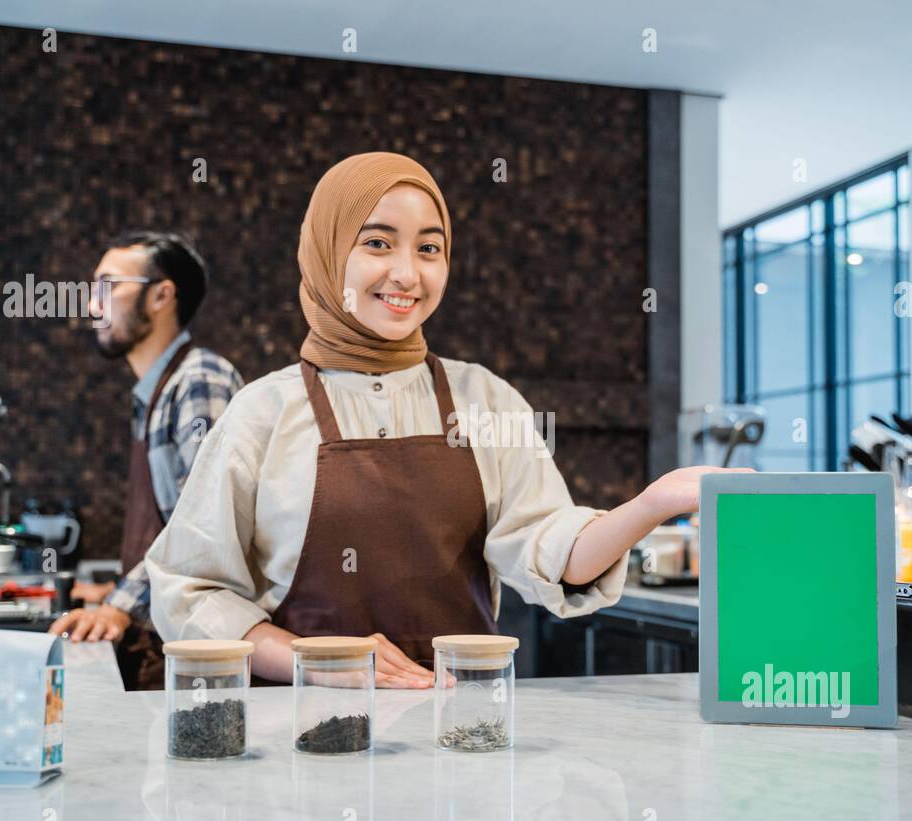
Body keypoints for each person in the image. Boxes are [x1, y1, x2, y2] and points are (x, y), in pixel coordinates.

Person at [147, 152, 727, 687]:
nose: (407, 274)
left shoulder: (486, 400)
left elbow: (550, 549)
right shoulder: (262, 413)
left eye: (429, 249)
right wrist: (319, 661)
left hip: (461, 729)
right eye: (377, 243)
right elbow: (188, 593)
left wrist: (651, 505)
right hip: (304, 735)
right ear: (326, 252)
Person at [50, 231, 243, 691]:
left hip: (190, 653)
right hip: (162, 634)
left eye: (108, 287)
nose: (93, 306)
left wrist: (120, 605)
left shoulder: (198, 380)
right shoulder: (155, 393)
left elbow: (204, 526)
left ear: (161, 295)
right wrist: (116, 591)